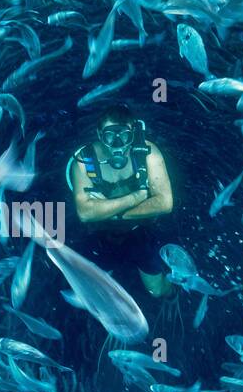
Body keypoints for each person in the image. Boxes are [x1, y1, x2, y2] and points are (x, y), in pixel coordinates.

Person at [67, 107, 176, 298]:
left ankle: (175, 291)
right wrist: (134, 198)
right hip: (103, 234)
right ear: (99, 135)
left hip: (140, 230)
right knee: (91, 293)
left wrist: (112, 212)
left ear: (133, 135)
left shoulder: (148, 154)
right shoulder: (84, 161)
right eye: (110, 136)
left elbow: (165, 203)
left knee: (157, 291)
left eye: (124, 136)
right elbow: (84, 213)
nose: (117, 144)